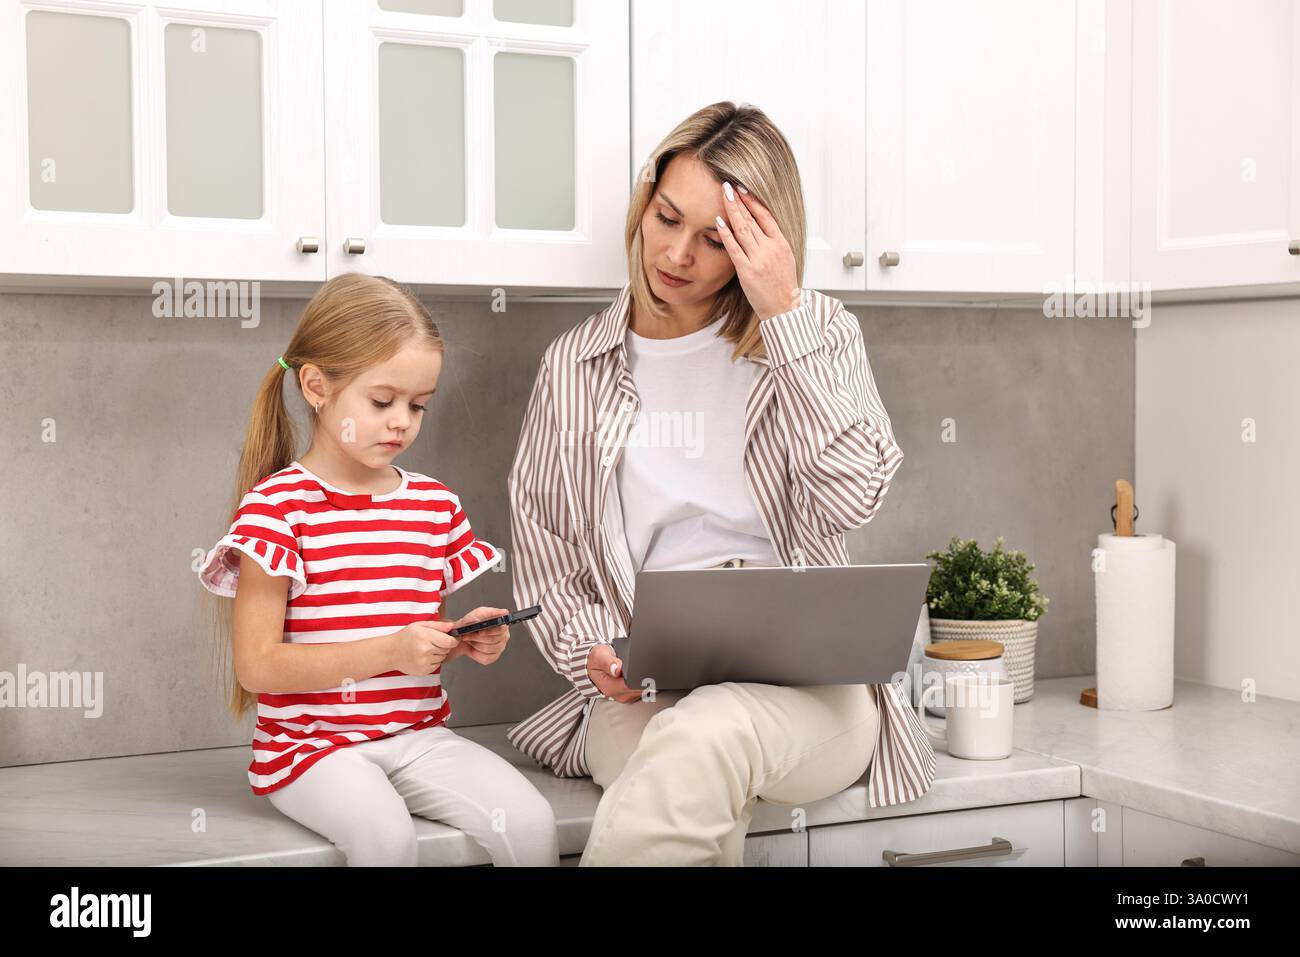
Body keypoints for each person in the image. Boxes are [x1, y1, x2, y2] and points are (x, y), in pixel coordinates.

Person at [505, 102, 937, 865]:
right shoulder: (573, 367)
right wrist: (590, 652)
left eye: (715, 239)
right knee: (690, 750)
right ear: (645, 200)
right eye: (667, 216)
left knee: (708, 734)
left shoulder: (820, 330)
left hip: (810, 697)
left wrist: (784, 315)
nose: (676, 253)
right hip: (645, 693)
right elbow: (546, 555)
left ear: (761, 244)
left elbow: (853, 495)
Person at [197, 272, 559, 867]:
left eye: (418, 405)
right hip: (309, 750)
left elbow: (408, 633)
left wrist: (458, 640)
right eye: (382, 401)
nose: (402, 422)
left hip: (416, 736)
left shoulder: (432, 505)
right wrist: (393, 649)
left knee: (531, 822)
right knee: (387, 839)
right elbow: (258, 667)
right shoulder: (277, 509)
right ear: (316, 386)